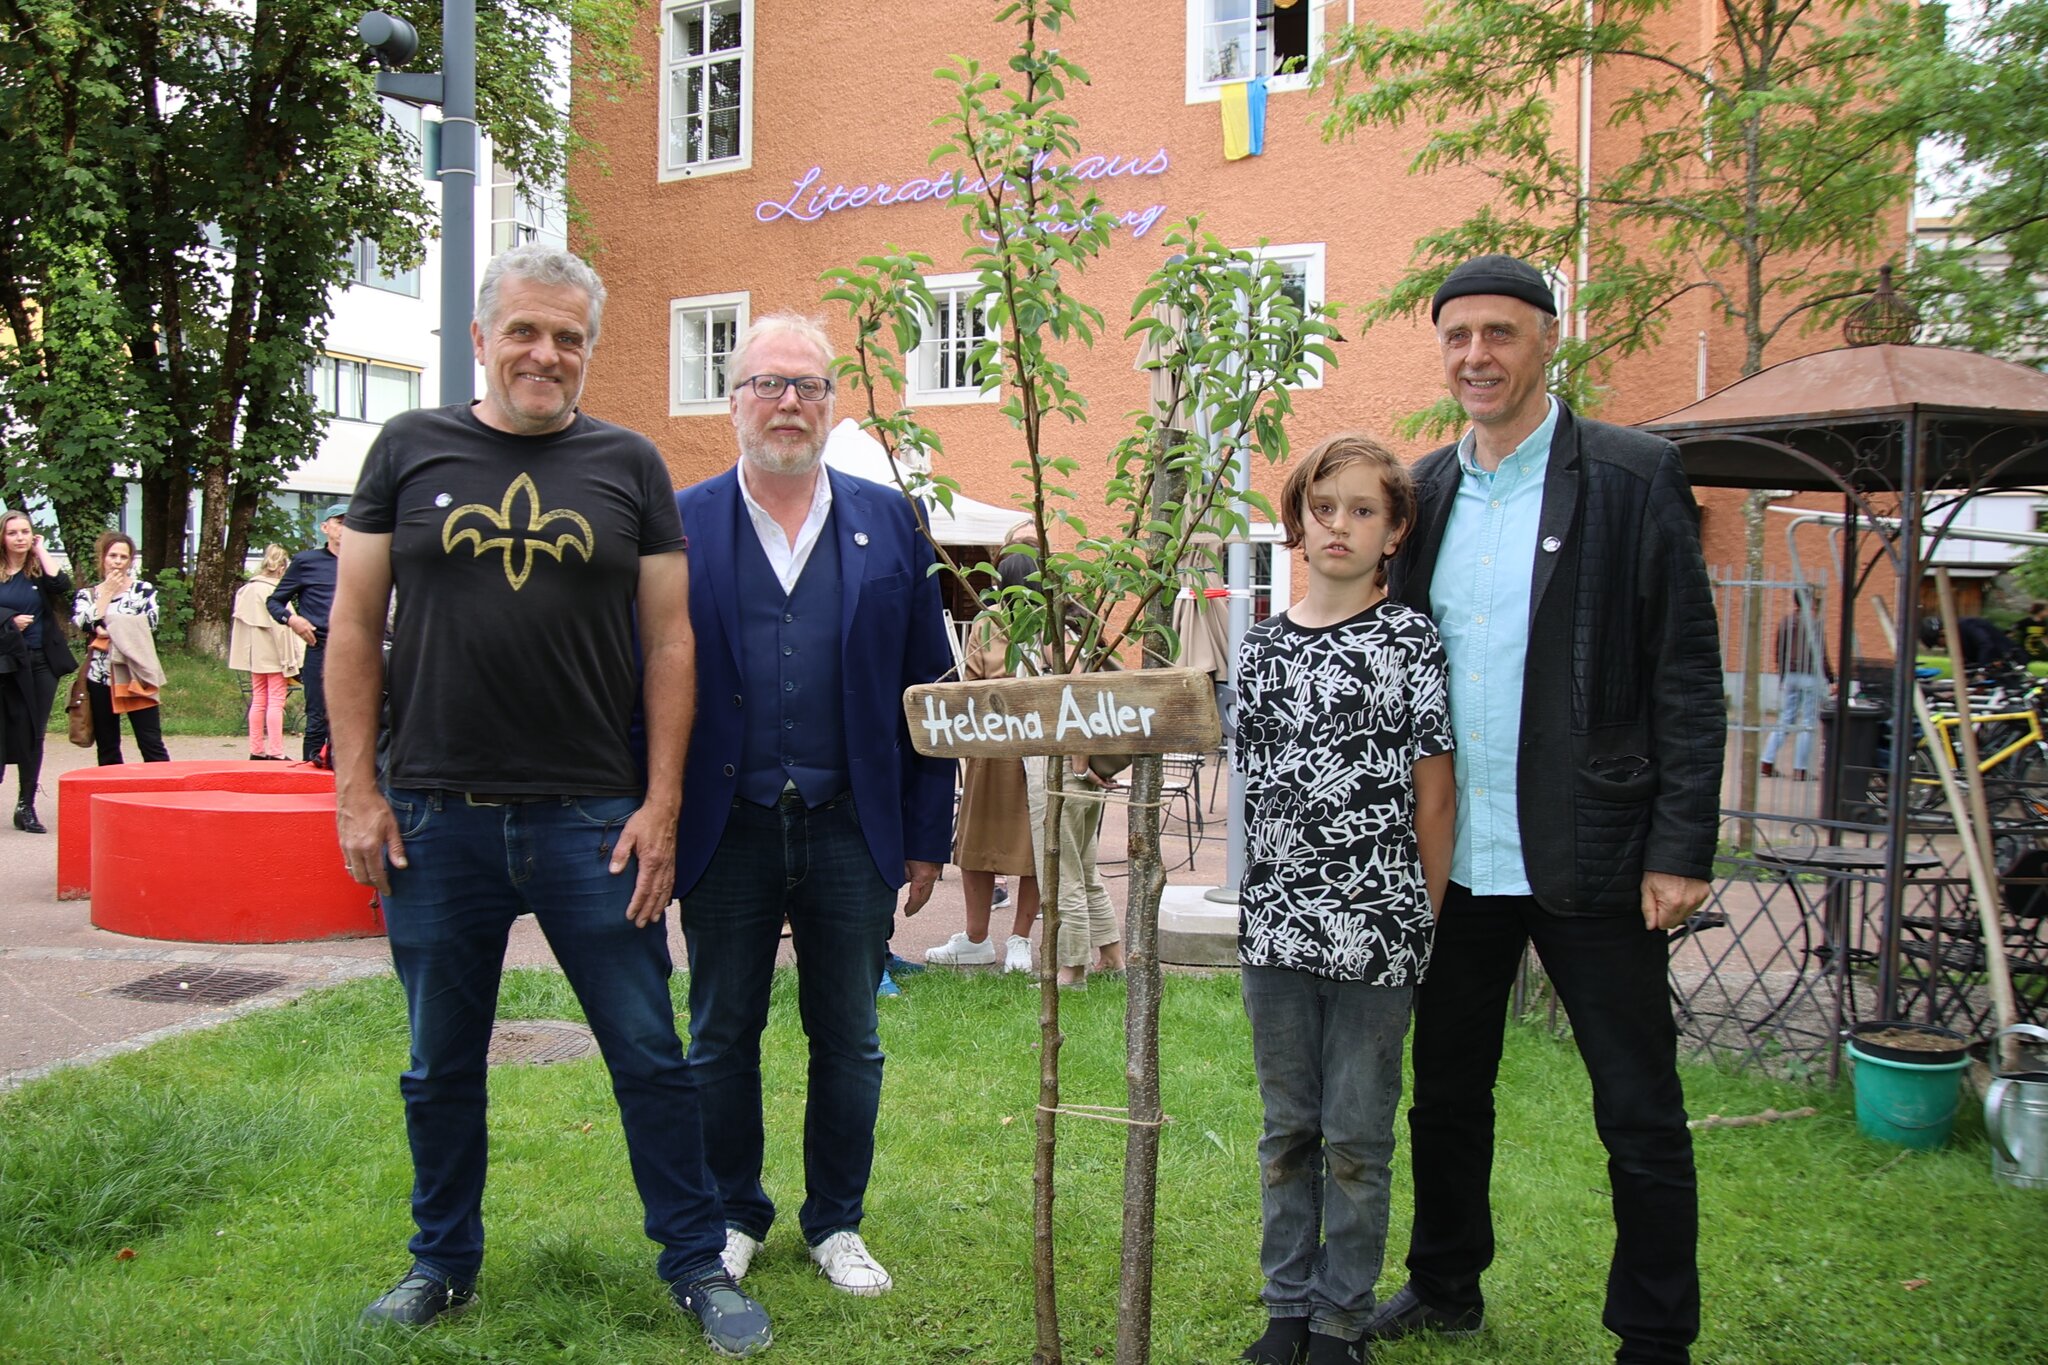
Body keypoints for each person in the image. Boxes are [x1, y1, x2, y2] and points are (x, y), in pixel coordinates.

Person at [326, 245, 770, 1357]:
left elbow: (671, 641)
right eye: (525, 331)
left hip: (589, 818)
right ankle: (440, 1264)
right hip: (434, 814)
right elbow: (349, 628)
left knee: (647, 1053)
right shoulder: (408, 448)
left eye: (568, 337)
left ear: (588, 349)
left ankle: (693, 1261)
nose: (546, 353)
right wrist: (355, 791)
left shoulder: (626, 463)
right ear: (482, 338)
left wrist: (660, 803)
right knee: (439, 1061)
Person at [1371, 255, 1724, 1365]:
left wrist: (1678, 847)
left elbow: (1685, 673)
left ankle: (1654, 1332)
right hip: (1456, 859)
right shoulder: (1422, 493)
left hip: (1599, 855)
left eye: (1500, 334)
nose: (1476, 355)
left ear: (1545, 342)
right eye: (1457, 336)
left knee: (1636, 1107)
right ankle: (1443, 1286)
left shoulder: (1629, 475)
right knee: (1445, 1095)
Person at [673, 312, 954, 1298]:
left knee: (849, 1037)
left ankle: (836, 1221)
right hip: (723, 828)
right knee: (719, 1034)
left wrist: (927, 833)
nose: (786, 402)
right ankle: (731, 1212)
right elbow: (642, 688)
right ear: (734, 401)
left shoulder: (889, 520)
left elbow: (930, 689)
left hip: (850, 827)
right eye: (766, 384)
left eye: (806, 386)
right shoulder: (678, 521)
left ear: (832, 406)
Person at [1232, 434, 1456, 1365]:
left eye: (1363, 509)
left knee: (1358, 1136)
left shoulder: (1409, 639)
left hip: (1377, 933)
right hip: (1279, 937)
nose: (1340, 525)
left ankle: (1340, 1320)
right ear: (1298, 519)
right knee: (1288, 1130)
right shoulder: (1258, 649)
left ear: (1395, 530)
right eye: (1324, 507)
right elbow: (1249, 792)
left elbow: (1434, 792)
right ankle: (1287, 1307)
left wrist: (1421, 920)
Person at [928, 558, 1043, 974]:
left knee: (1035, 849)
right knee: (976, 845)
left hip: (1040, 757)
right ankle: (976, 938)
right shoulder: (987, 625)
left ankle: (1020, 940)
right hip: (991, 754)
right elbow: (970, 684)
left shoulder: (1055, 628)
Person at [0, 510, 77, 833]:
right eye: (13, 532)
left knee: (34, 730)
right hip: (5, 661)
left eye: (25, 532)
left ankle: (26, 806)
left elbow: (62, 585)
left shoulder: (38, 571)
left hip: (41, 661)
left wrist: (41, 550)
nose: (19, 537)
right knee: (3, 729)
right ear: (2, 538)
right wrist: (7, 620)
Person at [71, 531, 170, 766]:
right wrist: (105, 595)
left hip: (136, 672)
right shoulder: (88, 594)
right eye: (112, 555)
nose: (117, 561)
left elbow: (150, 623)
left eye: (123, 557)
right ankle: (112, 796)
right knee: (107, 745)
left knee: (150, 741)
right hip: (100, 675)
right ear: (103, 558)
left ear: (130, 561)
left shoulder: (143, 591)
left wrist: (108, 626)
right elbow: (83, 622)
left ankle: (166, 791)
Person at [269, 504, 345, 761]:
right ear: (325, 528)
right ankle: (308, 779)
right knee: (317, 717)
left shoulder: (369, 562)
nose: (346, 528)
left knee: (359, 717)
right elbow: (274, 602)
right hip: (320, 646)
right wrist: (293, 620)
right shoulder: (306, 562)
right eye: (339, 522)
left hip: (362, 648)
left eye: (352, 522)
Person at [228, 544, 303, 761]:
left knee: (259, 699)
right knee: (276, 701)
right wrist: (292, 658)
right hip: (276, 653)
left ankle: (256, 749)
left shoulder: (246, 590)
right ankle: (276, 751)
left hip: (253, 654)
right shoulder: (275, 591)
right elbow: (283, 629)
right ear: (281, 568)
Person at [1759, 598, 1827, 781]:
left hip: (1790, 675)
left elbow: (1779, 650)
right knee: (1807, 722)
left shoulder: (1786, 622)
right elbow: (1821, 653)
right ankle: (1800, 769)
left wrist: (1782, 675)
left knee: (1785, 719)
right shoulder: (1816, 624)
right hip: (1809, 675)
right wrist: (1830, 677)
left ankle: (1766, 762)